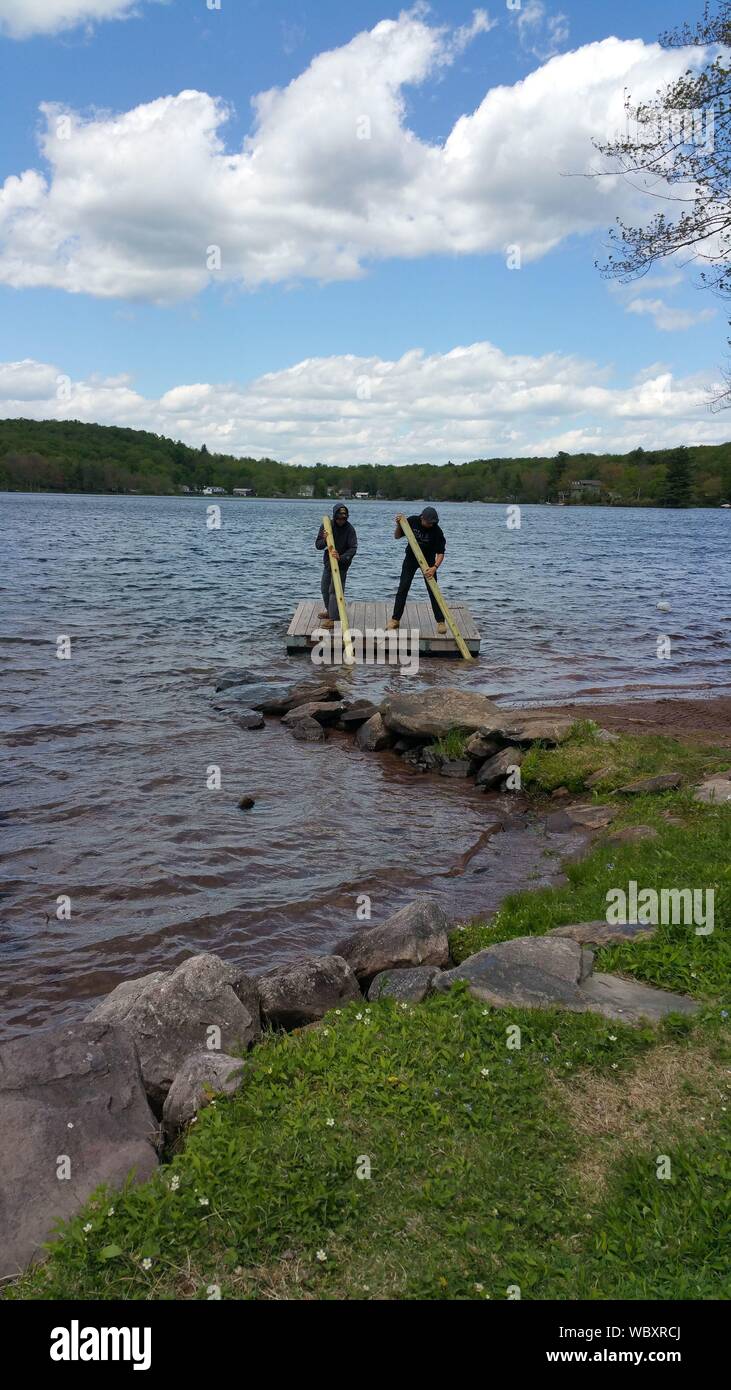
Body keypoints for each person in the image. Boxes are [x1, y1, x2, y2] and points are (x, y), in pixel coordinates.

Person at [387, 506, 446, 632]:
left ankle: (441, 622)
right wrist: (399, 525)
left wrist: (434, 567)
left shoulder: (437, 531)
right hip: (411, 558)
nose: (431, 525)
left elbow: (441, 553)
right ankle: (395, 619)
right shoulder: (412, 521)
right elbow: (397, 536)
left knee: (433, 590)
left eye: (433, 523)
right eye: (429, 522)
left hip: (429, 562)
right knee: (403, 587)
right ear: (422, 518)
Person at [315, 503, 358, 627]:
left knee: (335, 591)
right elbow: (318, 545)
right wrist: (325, 539)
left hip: (342, 564)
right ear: (335, 516)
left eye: (344, 518)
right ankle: (330, 612)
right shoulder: (326, 526)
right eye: (339, 518)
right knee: (324, 589)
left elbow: (353, 548)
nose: (341, 521)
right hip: (328, 563)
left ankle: (334, 619)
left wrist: (342, 557)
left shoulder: (350, 529)